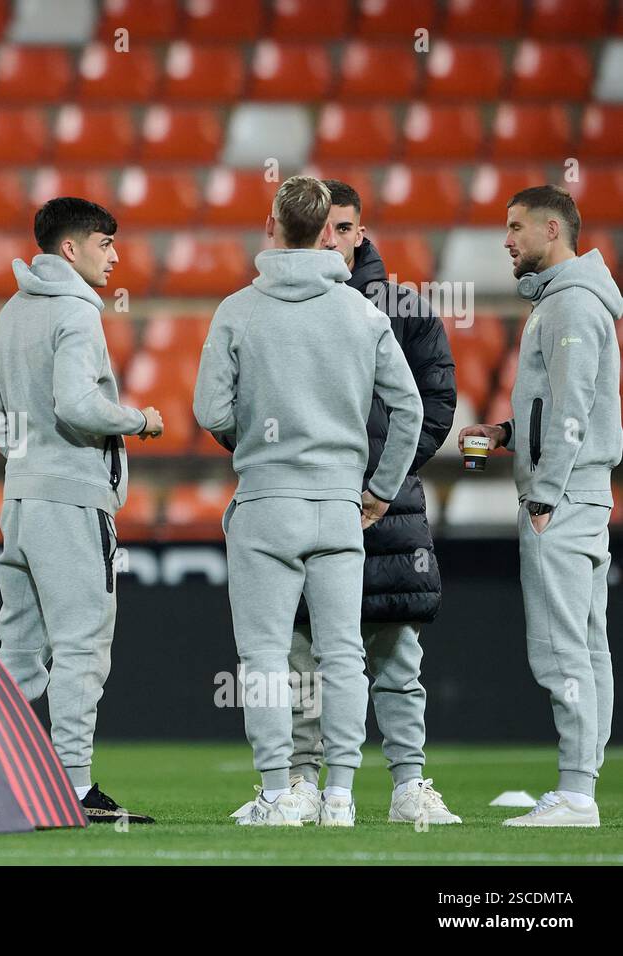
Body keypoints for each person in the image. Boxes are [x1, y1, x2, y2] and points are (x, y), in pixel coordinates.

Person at [195, 176, 422, 827]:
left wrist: (257, 436)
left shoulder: (237, 309)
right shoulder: (362, 312)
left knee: (265, 657)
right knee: (344, 651)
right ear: (329, 231)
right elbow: (407, 407)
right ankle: (342, 796)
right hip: (337, 506)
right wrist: (379, 488)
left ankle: (279, 791)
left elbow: (209, 407)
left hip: (266, 502)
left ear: (273, 225)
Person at [285, 180, 461, 825]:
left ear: (360, 233)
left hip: (387, 508)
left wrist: (383, 483)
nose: (331, 238)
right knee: (304, 653)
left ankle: (408, 785)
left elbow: (436, 405)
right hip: (310, 499)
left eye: (343, 227)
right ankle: (303, 784)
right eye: (322, 226)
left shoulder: (402, 308)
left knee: (395, 654)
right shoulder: (282, 304)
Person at [0, 197, 163, 822]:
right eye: (105, 242)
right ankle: (73, 785)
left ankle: (1, 774)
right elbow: (76, 406)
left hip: (20, 500)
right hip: (70, 503)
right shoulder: (78, 315)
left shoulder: (10, 313)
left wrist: (30, 467)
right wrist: (140, 420)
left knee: (20, 649)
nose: (115, 255)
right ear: (71, 249)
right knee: (82, 646)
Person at [459, 185, 621, 828]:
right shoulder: (573, 302)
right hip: (585, 491)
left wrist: (545, 493)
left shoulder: (571, 306)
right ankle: (584, 779)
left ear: (553, 229)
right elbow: (557, 406)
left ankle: (577, 791)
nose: (506, 240)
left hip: (566, 495)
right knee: (586, 642)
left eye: (516, 227)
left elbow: (574, 409)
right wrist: (507, 434)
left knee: (561, 649)